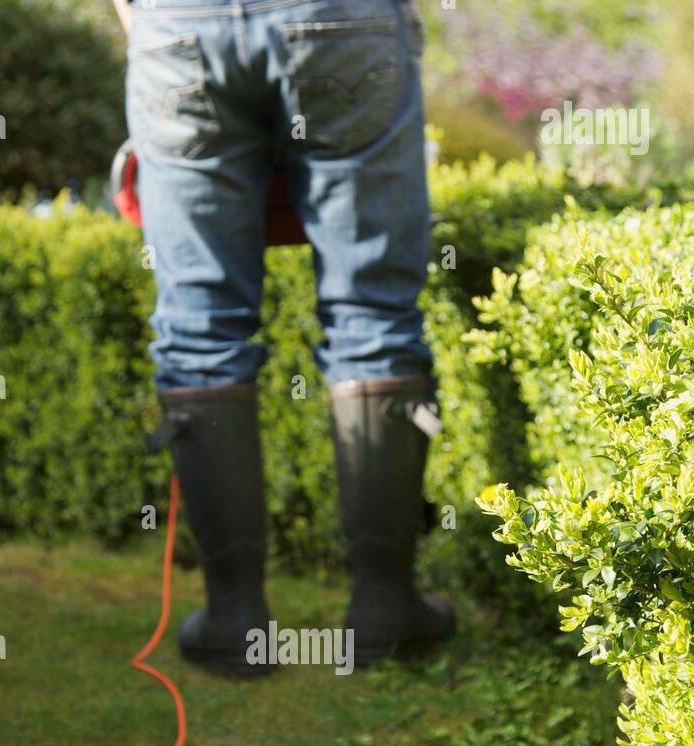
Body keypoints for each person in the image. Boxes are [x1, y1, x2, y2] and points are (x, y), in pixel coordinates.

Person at [115, 0, 454, 674]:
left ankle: (235, 624)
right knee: (373, 312)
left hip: (180, 23)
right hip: (340, 19)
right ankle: (384, 613)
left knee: (199, 325)